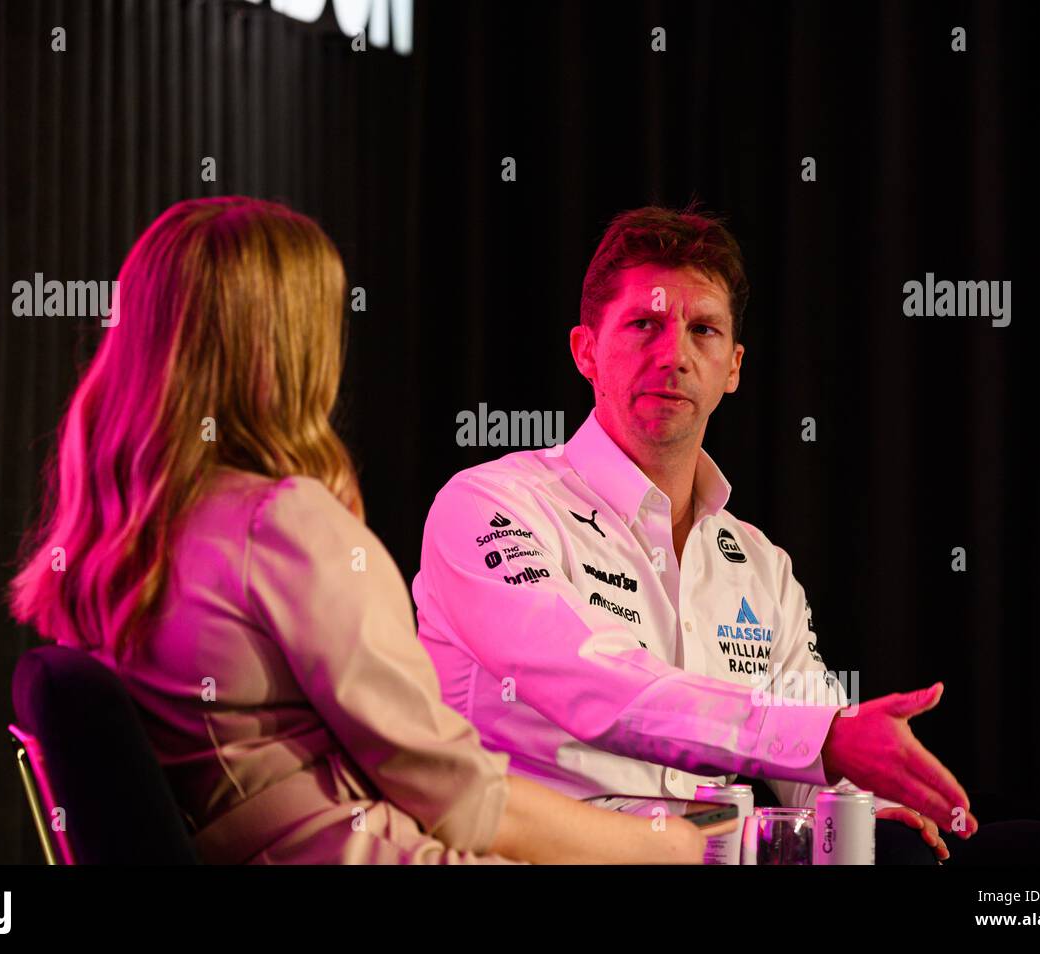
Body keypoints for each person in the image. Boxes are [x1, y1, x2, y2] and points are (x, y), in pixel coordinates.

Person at [8, 196, 731, 865]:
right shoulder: (279, 522)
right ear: (287, 345)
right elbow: (458, 793)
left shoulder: (116, 533)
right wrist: (667, 845)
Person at [412, 205, 983, 862]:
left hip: (712, 853)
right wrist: (826, 737)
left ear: (733, 367)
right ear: (586, 351)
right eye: (644, 325)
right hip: (540, 851)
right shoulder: (491, 505)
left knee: (1028, 856)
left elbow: (818, 756)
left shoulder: (759, 563)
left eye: (703, 330)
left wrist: (870, 806)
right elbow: (595, 686)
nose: (674, 356)